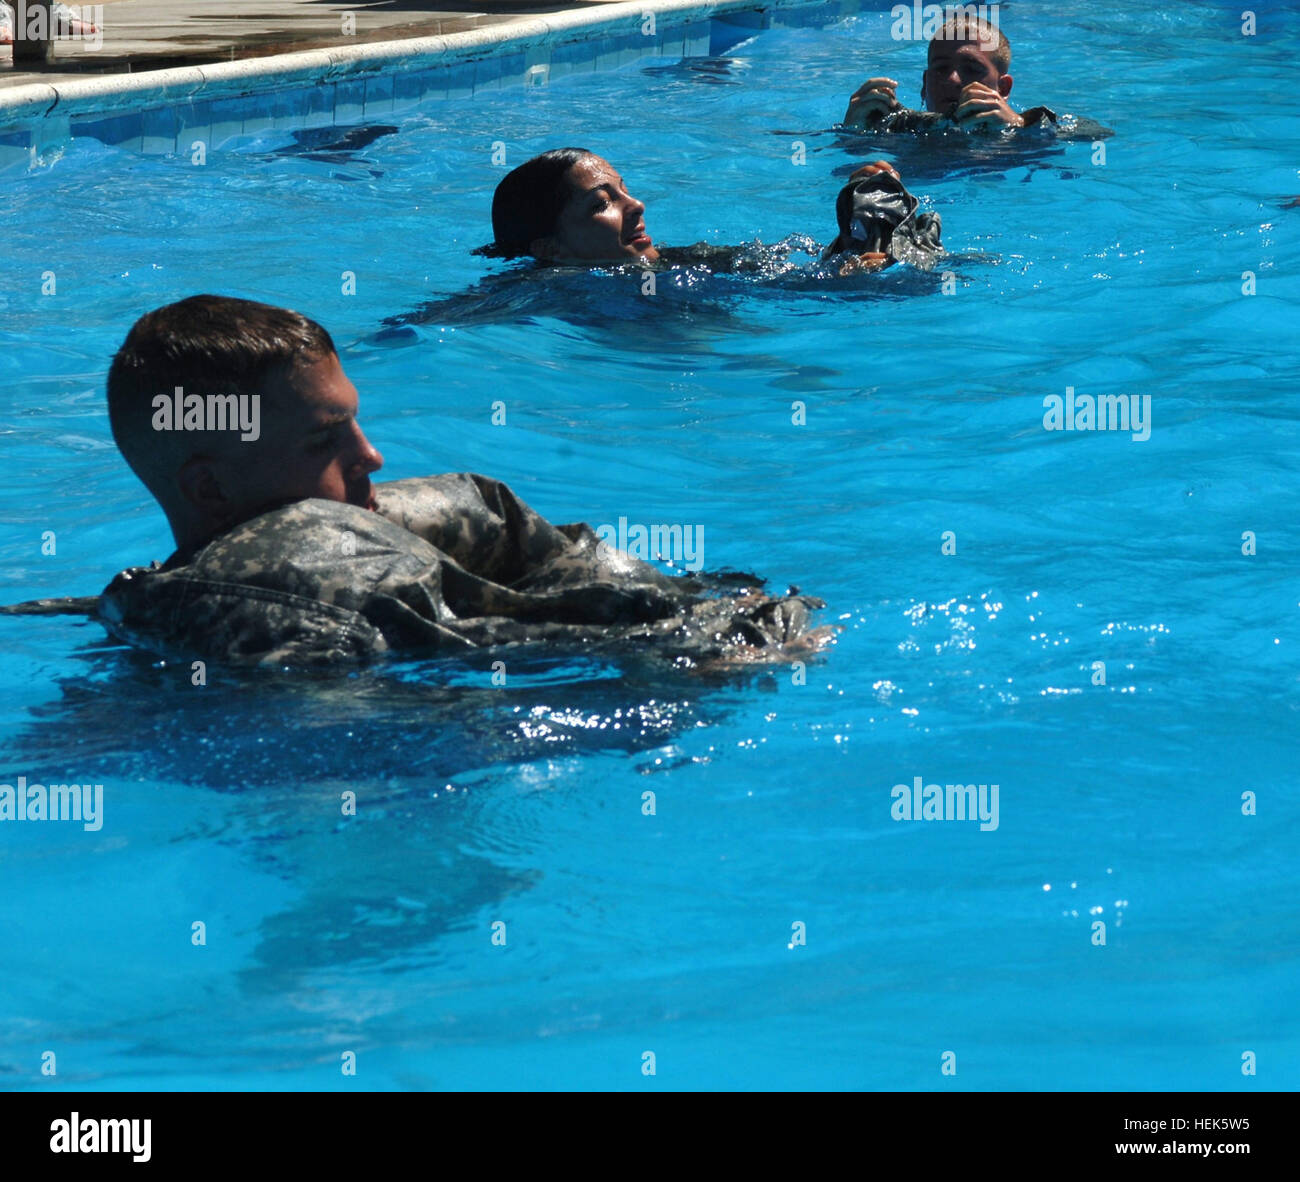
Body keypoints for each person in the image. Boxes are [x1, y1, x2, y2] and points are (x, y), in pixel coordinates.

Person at [2, 295, 825, 667]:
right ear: (210, 488)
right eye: (327, 439)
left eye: (354, 421)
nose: (373, 457)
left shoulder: (416, 531)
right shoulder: (283, 619)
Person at [842, 15, 1061, 133]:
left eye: (972, 69)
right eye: (941, 68)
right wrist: (853, 131)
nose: (952, 79)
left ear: (1003, 88)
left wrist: (1020, 128)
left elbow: (1088, 136)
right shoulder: (899, 132)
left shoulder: (1033, 132)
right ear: (924, 85)